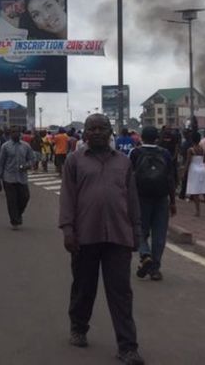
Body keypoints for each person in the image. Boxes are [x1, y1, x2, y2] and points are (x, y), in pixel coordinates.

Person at [59, 114, 144, 365]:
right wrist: (67, 229)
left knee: (121, 293)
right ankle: (78, 327)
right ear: (85, 133)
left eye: (101, 128)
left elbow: (132, 199)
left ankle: (128, 347)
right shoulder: (75, 161)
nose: (96, 132)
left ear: (110, 132)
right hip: (84, 235)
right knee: (84, 287)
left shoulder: (124, 163)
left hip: (118, 236)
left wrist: (136, 230)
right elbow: (67, 197)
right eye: (91, 129)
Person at [130, 126, 177, 281]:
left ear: (141, 137)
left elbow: (129, 178)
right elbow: (170, 178)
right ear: (157, 138)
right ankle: (155, 269)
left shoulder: (135, 153)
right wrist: (173, 201)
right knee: (159, 234)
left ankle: (145, 255)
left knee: (140, 230)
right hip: (161, 198)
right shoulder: (165, 153)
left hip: (141, 198)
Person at [0, 127, 35, 228]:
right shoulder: (5, 146)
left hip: (22, 178)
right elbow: (0, 163)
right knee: (11, 200)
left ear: (20, 133)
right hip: (8, 178)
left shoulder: (26, 146)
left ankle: (18, 214)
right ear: (10, 134)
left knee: (25, 197)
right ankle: (14, 220)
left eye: (17, 132)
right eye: (13, 132)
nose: (15, 134)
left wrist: (26, 166)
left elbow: (32, 159)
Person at [185, 131, 205, 217]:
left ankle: (198, 211)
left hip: (194, 170)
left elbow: (188, 162)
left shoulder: (190, 150)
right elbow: (204, 160)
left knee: (195, 191)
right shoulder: (203, 149)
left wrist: (184, 172)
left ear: (192, 140)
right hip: (203, 169)